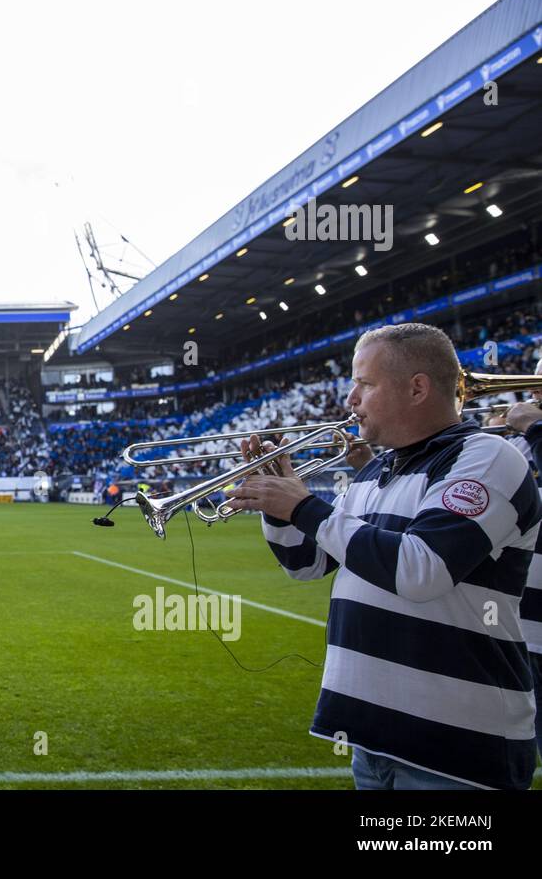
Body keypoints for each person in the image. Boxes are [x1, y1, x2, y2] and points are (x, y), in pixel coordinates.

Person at [228, 323, 539, 790]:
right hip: (370, 736)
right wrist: (275, 499)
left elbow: (420, 569)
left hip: (454, 747)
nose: (350, 399)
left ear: (417, 388)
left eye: (364, 384)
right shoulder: (376, 470)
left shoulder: (487, 457)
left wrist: (302, 505)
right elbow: (306, 563)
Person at [503, 356, 542, 758]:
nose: (533, 393)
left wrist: (535, 428)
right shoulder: (521, 443)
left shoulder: (534, 433)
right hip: (521, 627)